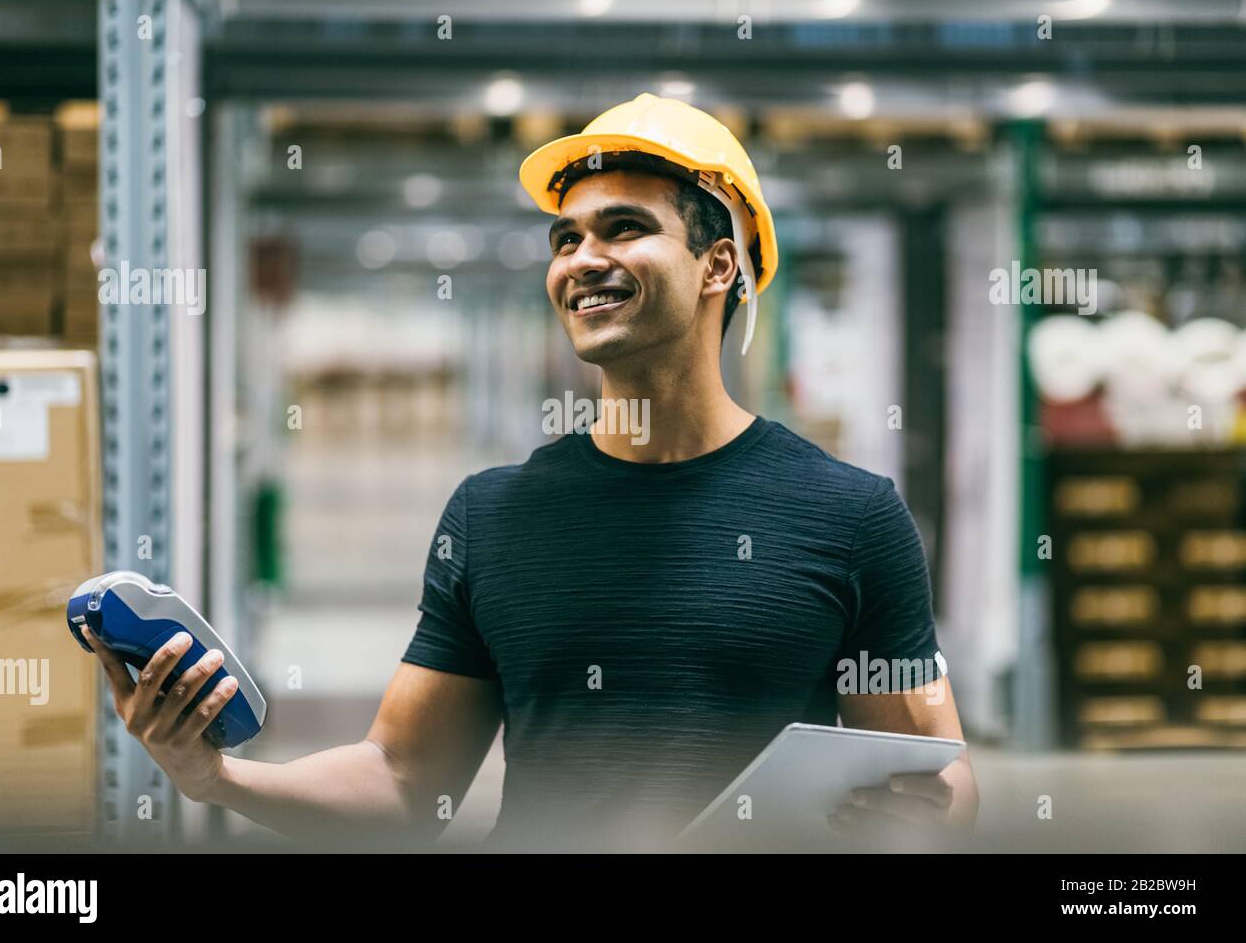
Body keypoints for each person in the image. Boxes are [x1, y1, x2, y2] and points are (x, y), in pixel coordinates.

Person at [84, 93, 978, 850]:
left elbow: (938, 773)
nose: (582, 260)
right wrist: (218, 778)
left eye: (624, 229)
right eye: (565, 239)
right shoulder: (494, 516)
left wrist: (926, 818)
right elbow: (401, 780)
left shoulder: (851, 517)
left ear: (718, 265)